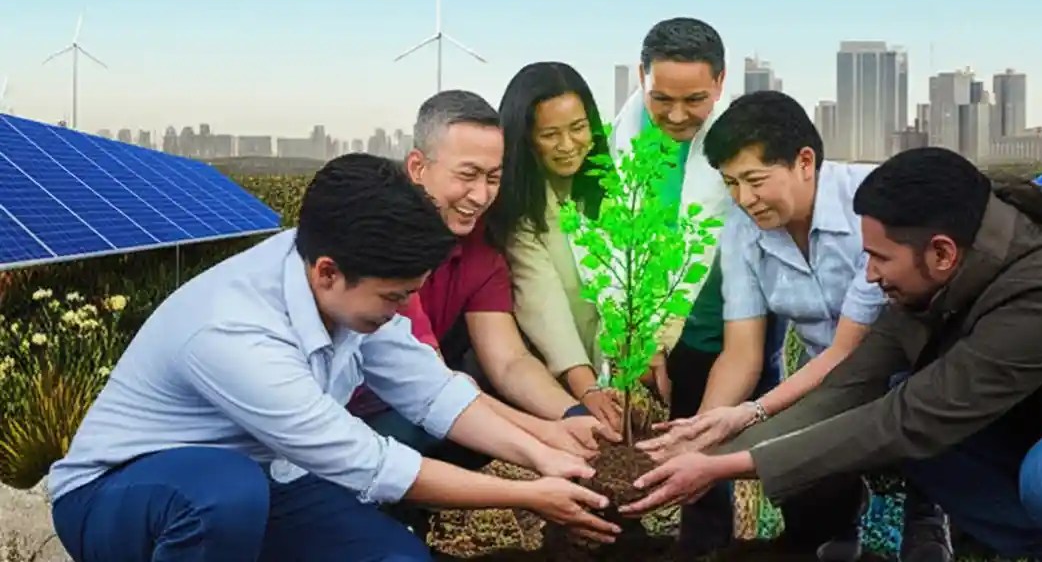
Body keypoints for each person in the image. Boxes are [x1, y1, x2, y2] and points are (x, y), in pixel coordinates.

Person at [621, 146, 1042, 562]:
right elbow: (854, 383)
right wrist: (712, 448)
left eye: (878, 258)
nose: (869, 276)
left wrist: (732, 466)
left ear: (940, 251)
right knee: (951, 441)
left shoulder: (1038, 298)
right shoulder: (939, 283)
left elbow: (907, 417)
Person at [47, 153, 621, 562]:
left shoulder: (348, 278)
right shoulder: (232, 331)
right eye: (394, 296)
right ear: (328, 272)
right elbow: (370, 464)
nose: (402, 312)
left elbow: (432, 390)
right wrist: (527, 493)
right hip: (120, 499)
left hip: (267, 482)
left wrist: (540, 452)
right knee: (222, 495)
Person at [637, 90, 952, 562]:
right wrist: (702, 431)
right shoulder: (742, 232)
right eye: (731, 184)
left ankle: (929, 516)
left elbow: (850, 352)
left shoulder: (873, 204)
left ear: (805, 162)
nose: (745, 199)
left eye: (755, 180)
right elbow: (742, 353)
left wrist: (752, 413)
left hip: (907, 367)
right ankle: (834, 528)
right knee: (807, 484)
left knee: (914, 463)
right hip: (820, 378)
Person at [348, 91, 617, 477]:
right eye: (467, 175)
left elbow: (508, 361)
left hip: (422, 394)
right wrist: (543, 441)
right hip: (349, 413)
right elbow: (433, 388)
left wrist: (573, 412)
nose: (480, 195)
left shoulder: (481, 250)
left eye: (493, 178)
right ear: (417, 167)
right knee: (428, 425)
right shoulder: (379, 240)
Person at [611, 17, 787, 554]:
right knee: (675, 428)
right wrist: (638, 336)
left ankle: (815, 533)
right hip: (659, 320)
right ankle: (692, 543)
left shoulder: (740, 137)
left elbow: (724, 230)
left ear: (721, 81)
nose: (678, 115)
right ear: (642, 77)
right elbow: (621, 237)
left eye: (695, 99)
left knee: (758, 430)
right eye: (662, 98)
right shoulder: (625, 132)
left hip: (734, 313)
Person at [491, 61, 624, 432]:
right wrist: (588, 389)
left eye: (578, 128)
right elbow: (542, 301)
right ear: (524, 137)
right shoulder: (519, 209)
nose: (568, 146)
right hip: (561, 375)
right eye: (550, 134)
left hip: (618, 365)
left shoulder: (611, 190)